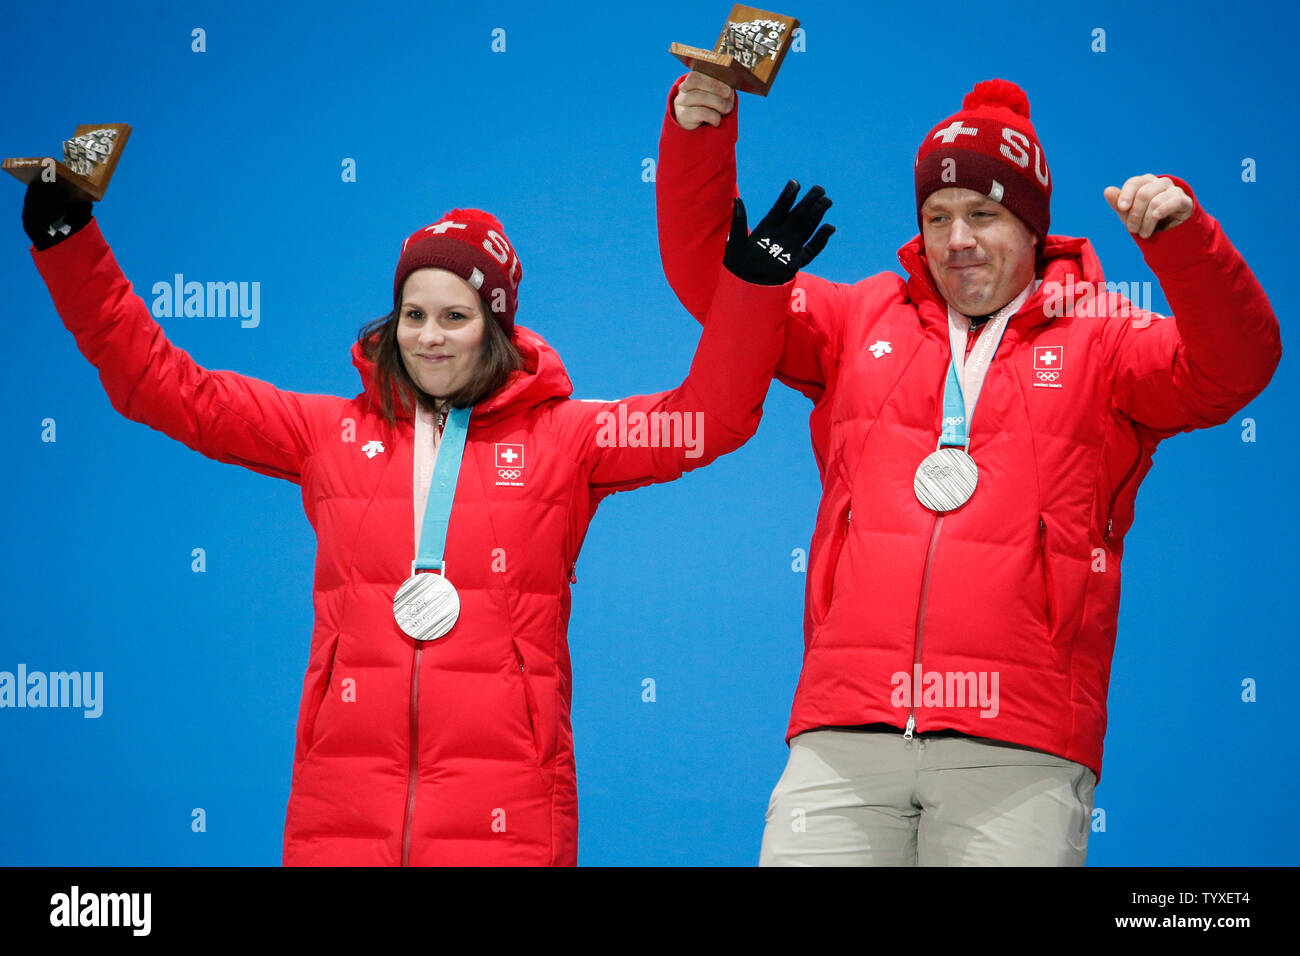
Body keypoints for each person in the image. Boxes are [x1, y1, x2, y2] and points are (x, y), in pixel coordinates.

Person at [21, 175, 834, 866]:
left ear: (499, 326)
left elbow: (711, 417)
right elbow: (164, 388)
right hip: (339, 812)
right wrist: (70, 248)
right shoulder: (327, 433)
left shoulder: (568, 439)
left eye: (455, 316)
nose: (429, 337)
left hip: (507, 813)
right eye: (414, 314)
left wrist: (754, 289)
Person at [656, 73, 1280, 865]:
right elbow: (718, 289)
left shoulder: (1109, 338)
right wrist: (697, 134)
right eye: (937, 216)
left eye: (983, 215)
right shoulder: (858, 319)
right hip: (842, 735)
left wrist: (1183, 244)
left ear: (1031, 224)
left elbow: (1236, 366)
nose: (957, 239)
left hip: (1019, 745)